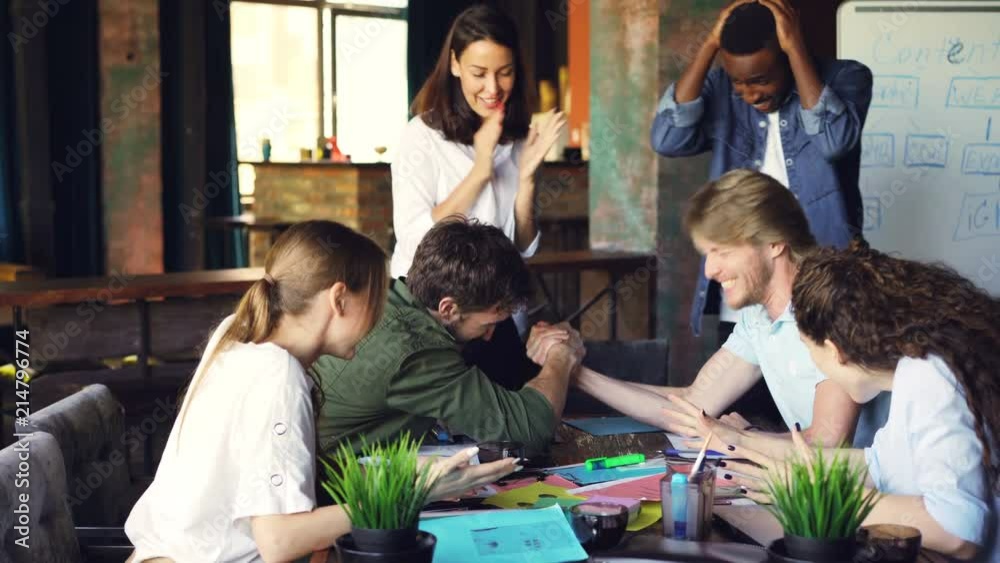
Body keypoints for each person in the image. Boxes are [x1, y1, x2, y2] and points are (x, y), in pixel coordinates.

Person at [124, 221, 516, 563]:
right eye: (375, 301)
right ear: (339, 298)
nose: (380, 318)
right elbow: (280, 540)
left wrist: (398, 477)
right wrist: (416, 492)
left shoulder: (238, 333)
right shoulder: (277, 373)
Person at [673, 244, 1000, 559]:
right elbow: (877, 467)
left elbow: (958, 531)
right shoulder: (910, 373)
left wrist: (815, 495)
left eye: (809, 351)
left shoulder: (929, 377)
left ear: (834, 349)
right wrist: (743, 441)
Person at [572, 169, 888, 448]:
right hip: (822, 491)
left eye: (721, 251)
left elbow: (827, 443)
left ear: (775, 243)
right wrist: (575, 373)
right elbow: (693, 406)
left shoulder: (830, 304)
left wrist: (741, 437)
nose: (709, 270)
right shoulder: (759, 315)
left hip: (881, 503)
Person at [650, 0, 873, 342]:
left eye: (760, 80)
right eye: (739, 83)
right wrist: (712, 42)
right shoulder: (723, 88)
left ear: (785, 55)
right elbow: (668, 138)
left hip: (821, 284)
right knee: (740, 392)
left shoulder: (848, 78)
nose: (749, 93)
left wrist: (795, 46)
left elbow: (833, 141)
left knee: (815, 387)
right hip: (744, 283)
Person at [392, 4, 566, 389]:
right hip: (429, 317)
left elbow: (521, 249)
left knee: (507, 435)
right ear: (454, 65)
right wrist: (480, 169)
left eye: (504, 73)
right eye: (479, 73)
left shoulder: (517, 139)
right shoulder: (421, 136)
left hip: (491, 318)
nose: (492, 88)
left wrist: (528, 179)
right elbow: (415, 238)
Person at [313, 218, 583, 458]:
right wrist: (560, 355)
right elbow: (529, 431)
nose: (489, 336)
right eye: (488, 324)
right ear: (448, 309)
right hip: (331, 489)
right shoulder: (417, 347)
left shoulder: (388, 296)